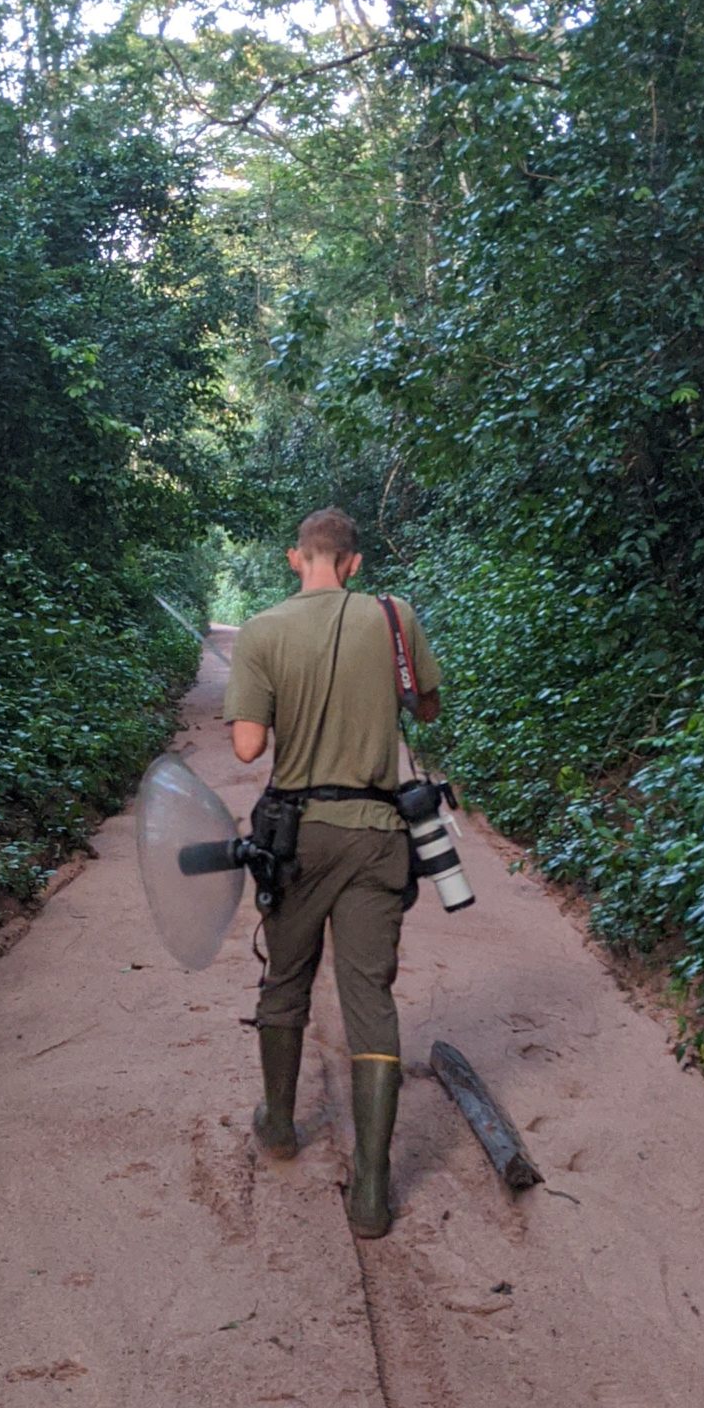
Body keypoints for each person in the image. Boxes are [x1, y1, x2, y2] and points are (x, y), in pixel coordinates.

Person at [223, 506, 442, 1238]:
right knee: (369, 995)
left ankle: (279, 1124)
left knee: (286, 976)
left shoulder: (262, 631)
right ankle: (372, 1193)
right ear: (353, 564)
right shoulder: (394, 616)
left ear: (296, 559)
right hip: (380, 832)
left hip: (298, 836)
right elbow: (429, 709)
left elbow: (249, 748)